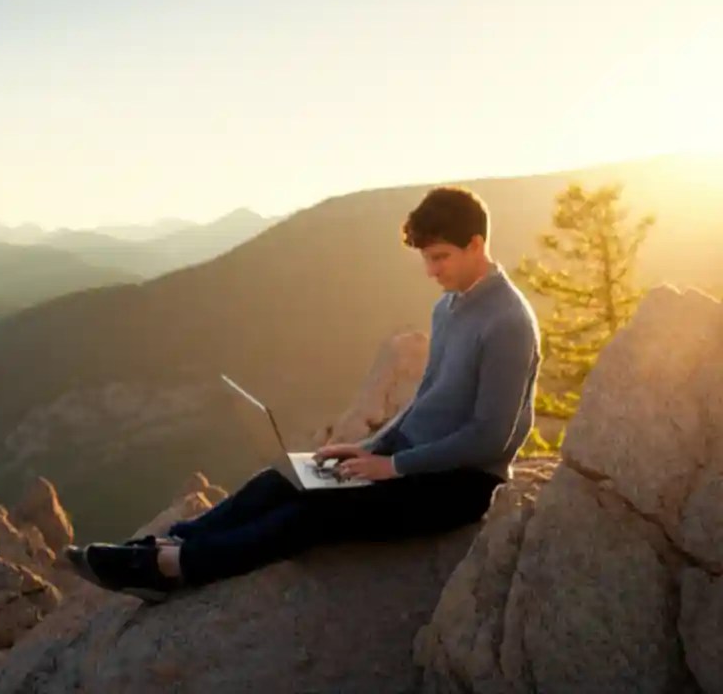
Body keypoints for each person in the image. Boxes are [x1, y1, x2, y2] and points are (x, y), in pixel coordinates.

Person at [66, 185, 542, 603]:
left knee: (318, 509)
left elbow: (489, 438)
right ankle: (163, 545)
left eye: (440, 257)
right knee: (283, 477)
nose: (430, 270)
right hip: (409, 457)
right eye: (426, 258)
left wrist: (391, 467)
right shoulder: (448, 308)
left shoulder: (509, 323)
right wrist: (369, 449)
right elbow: (426, 398)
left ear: (476, 244)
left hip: (462, 485)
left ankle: (176, 568)